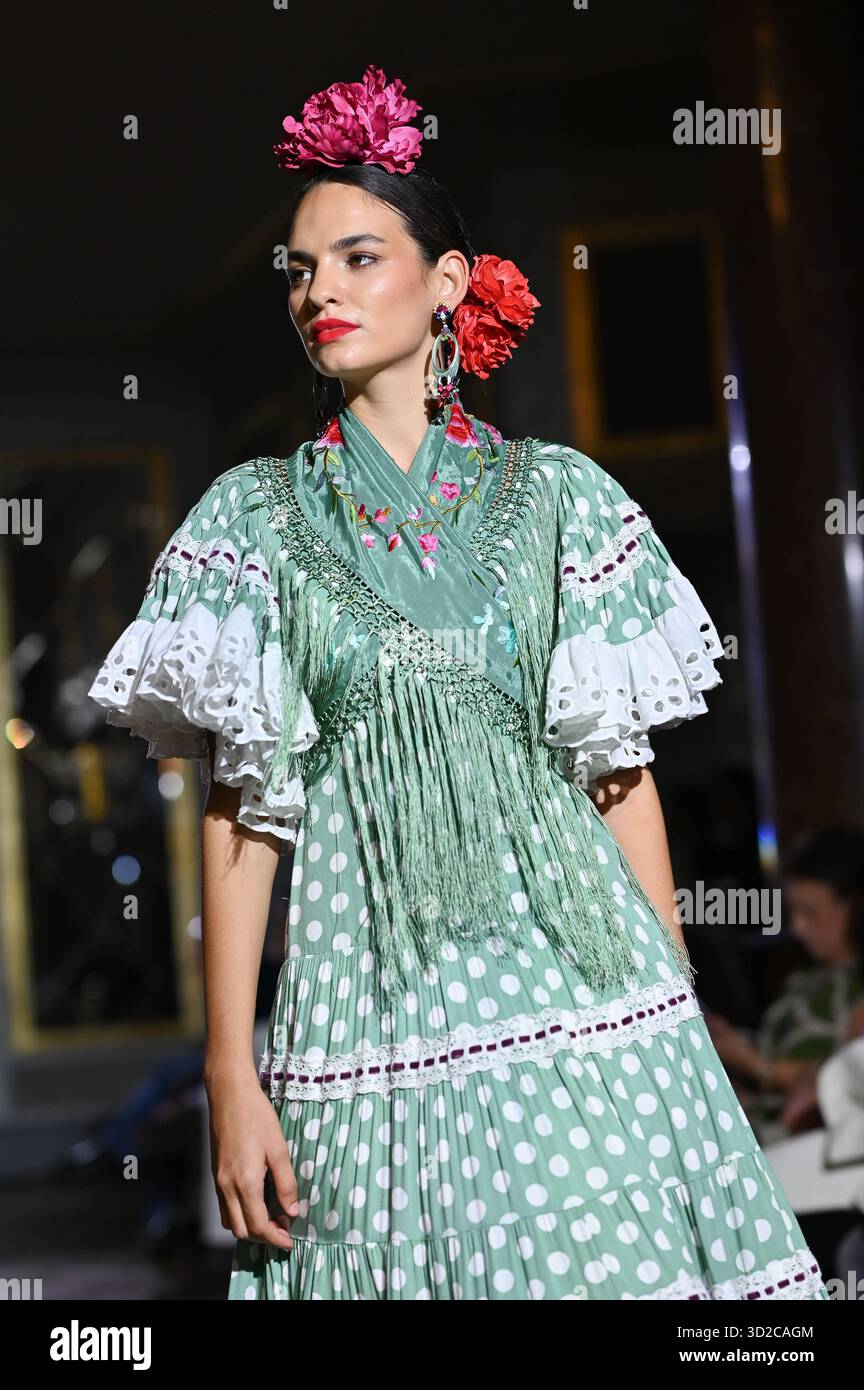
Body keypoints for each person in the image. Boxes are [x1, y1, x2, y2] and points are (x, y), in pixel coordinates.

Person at [87, 64, 830, 1301]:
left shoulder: (558, 497)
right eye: (301, 267)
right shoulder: (253, 526)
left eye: (357, 256)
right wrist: (232, 1071)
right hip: (362, 1017)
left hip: (591, 1008)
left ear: (448, 285)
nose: (318, 287)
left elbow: (618, 778)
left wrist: (677, 1022)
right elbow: (242, 819)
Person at [706, 826, 864, 1144]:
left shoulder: (855, 986)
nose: (797, 927)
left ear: (854, 907)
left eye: (811, 913)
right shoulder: (803, 978)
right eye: (794, 912)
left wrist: (751, 1062)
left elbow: (850, 1076)